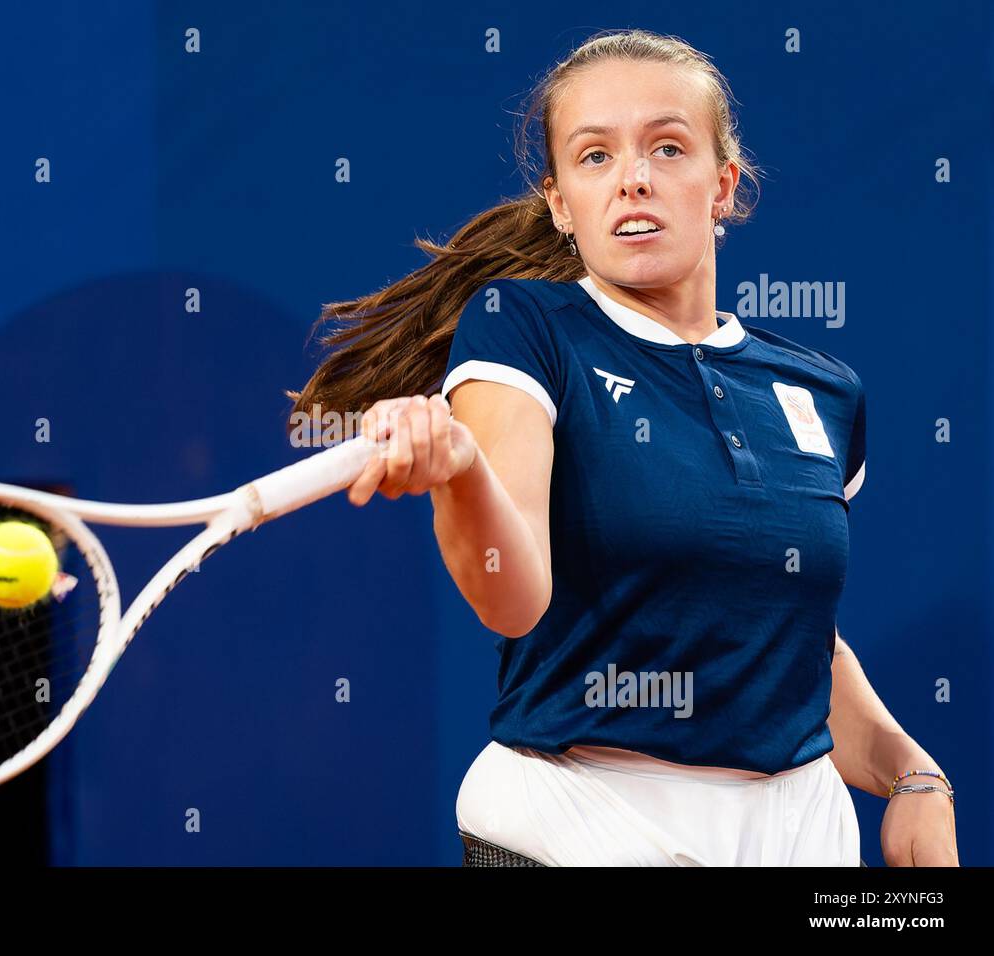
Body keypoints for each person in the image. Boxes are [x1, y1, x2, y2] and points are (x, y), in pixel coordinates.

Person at [286, 29, 957, 866]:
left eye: (666, 147)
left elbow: (794, 642)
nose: (633, 177)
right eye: (594, 156)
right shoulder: (524, 327)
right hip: (577, 833)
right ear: (563, 203)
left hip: (802, 840)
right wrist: (460, 473)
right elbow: (511, 598)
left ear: (723, 185)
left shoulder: (824, 390)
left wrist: (914, 776)